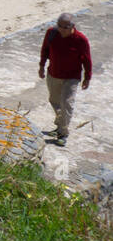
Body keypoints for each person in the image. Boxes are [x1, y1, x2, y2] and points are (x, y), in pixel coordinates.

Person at [38, 12, 92, 146]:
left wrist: (87, 77)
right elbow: (45, 50)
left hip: (71, 77)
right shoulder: (52, 33)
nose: (61, 29)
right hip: (53, 74)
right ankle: (60, 126)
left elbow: (87, 60)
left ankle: (63, 133)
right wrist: (41, 66)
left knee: (67, 104)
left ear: (72, 26)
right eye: (59, 26)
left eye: (65, 27)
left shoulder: (81, 39)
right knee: (55, 101)